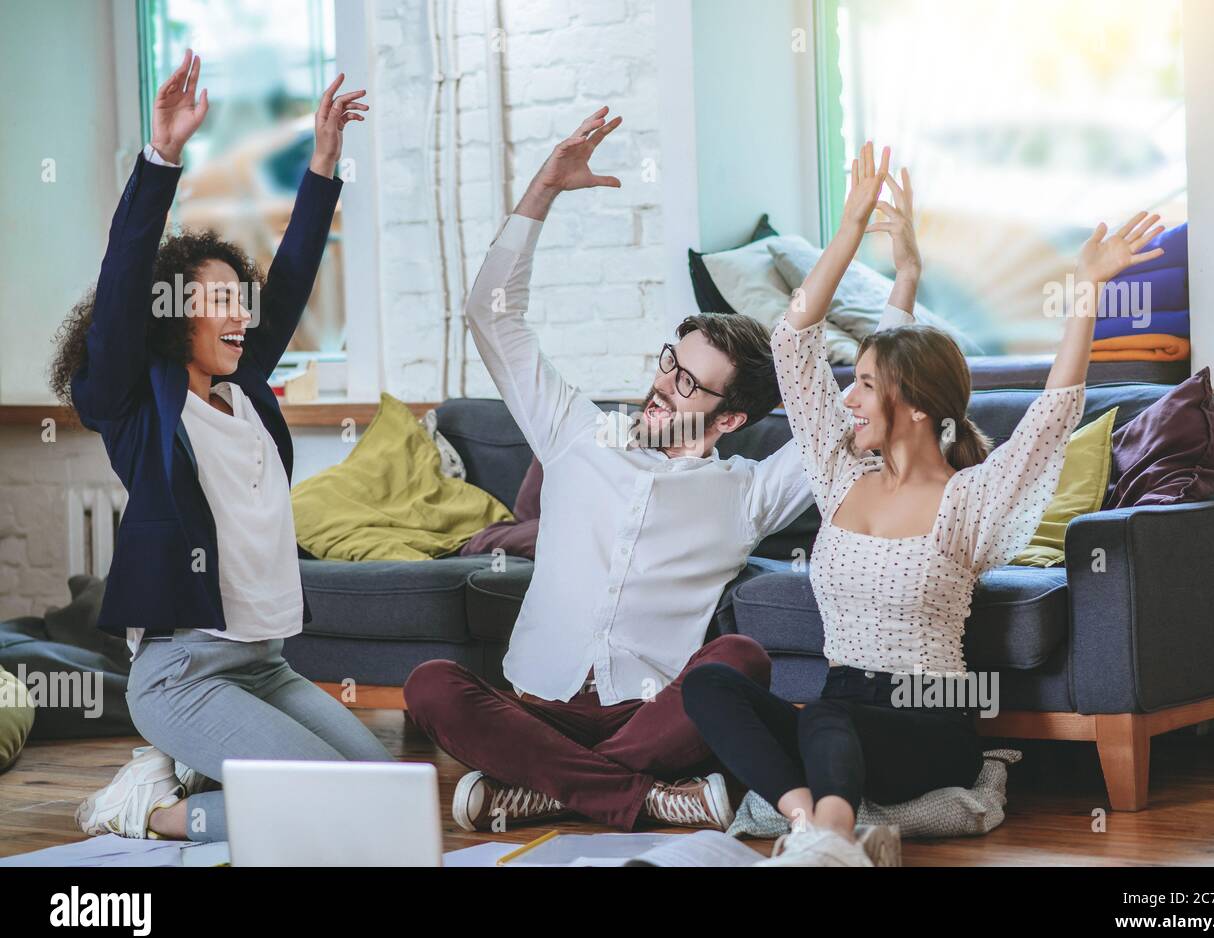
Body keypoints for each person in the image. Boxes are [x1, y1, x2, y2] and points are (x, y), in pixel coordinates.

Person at [683, 142, 1166, 866]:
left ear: (912, 407)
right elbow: (793, 340)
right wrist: (853, 232)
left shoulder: (970, 498)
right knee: (713, 687)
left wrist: (1085, 289)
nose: (847, 397)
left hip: (929, 711)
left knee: (827, 719)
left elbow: (1054, 413)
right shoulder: (840, 473)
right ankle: (818, 824)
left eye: (867, 384)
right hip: (841, 710)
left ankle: (826, 840)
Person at [402, 107, 814, 833]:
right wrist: (544, 190)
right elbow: (490, 316)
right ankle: (645, 799)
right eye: (668, 364)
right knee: (432, 686)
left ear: (730, 420)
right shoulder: (575, 431)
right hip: (539, 707)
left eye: (689, 384)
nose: (662, 385)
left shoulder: (746, 494)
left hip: (653, 717)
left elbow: (838, 436)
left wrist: (893, 280)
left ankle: (548, 791)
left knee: (741, 659)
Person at [50, 51, 391, 843]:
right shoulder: (137, 407)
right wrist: (161, 159)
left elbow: (297, 274)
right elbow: (127, 275)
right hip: (180, 677)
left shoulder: (245, 394)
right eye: (216, 302)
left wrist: (323, 165)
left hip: (262, 665)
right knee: (331, 819)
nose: (239, 315)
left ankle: (198, 776)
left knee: (385, 799)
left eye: (241, 300)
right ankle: (152, 809)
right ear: (172, 318)